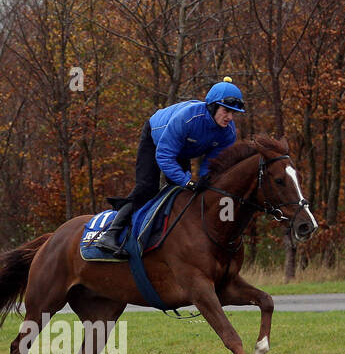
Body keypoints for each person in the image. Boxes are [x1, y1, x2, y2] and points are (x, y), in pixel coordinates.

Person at [95, 79, 243, 254]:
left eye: (234, 113)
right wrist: (187, 181)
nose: (230, 118)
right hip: (156, 140)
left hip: (182, 150)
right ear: (212, 106)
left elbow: (212, 162)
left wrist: (204, 178)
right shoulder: (188, 118)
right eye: (226, 111)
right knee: (147, 188)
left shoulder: (228, 133)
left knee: (183, 193)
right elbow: (164, 156)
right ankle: (110, 234)